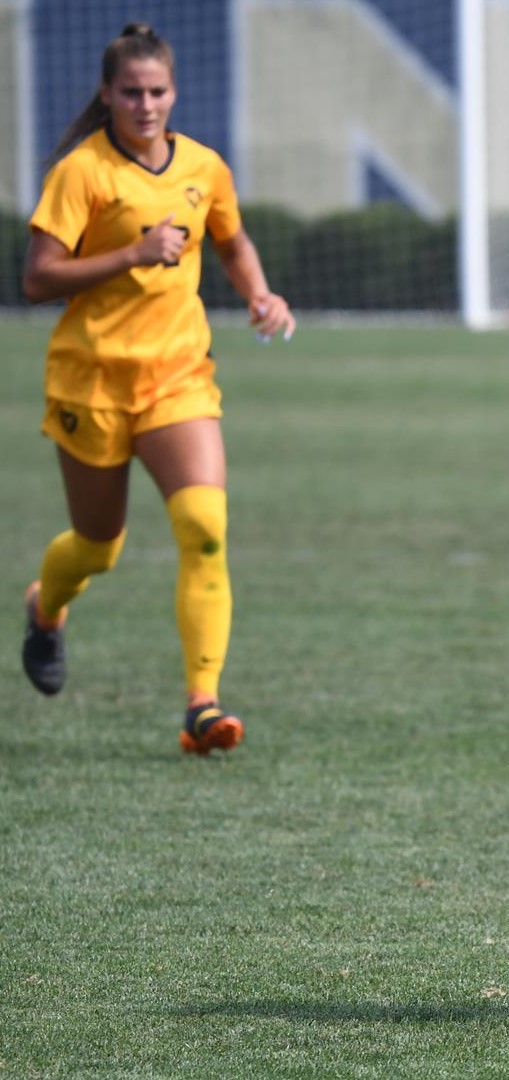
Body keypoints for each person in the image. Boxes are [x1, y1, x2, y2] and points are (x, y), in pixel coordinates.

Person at [19, 23, 295, 755]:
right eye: (131, 92)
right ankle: (46, 608)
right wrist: (132, 253)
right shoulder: (84, 173)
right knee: (97, 546)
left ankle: (201, 706)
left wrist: (261, 294)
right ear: (107, 94)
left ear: (175, 93)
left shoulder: (204, 166)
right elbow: (37, 277)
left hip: (178, 378)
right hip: (92, 381)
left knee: (204, 530)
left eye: (157, 91)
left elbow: (231, 241)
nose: (146, 105)